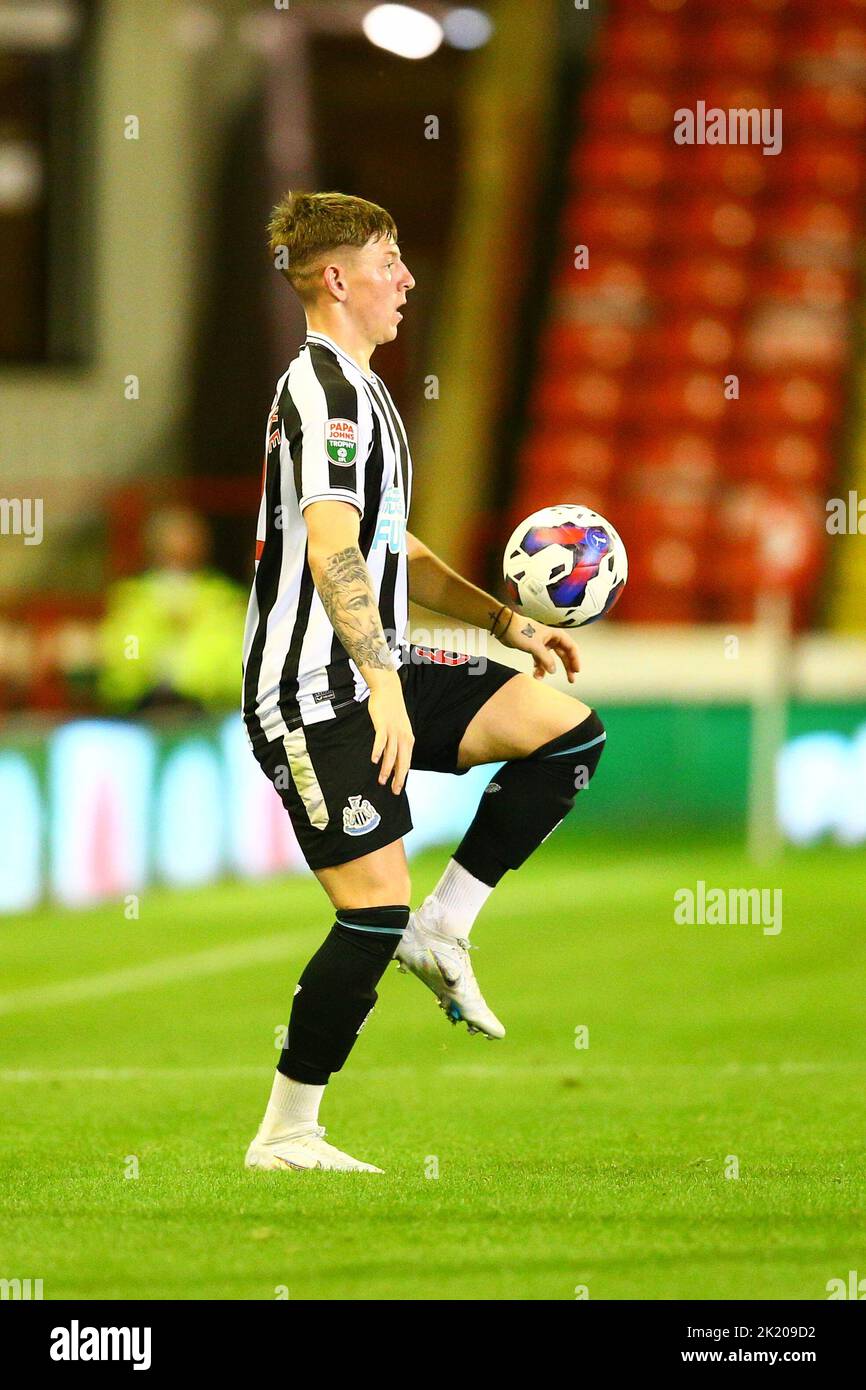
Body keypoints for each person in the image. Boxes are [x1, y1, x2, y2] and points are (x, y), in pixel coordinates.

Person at [241, 190, 606, 1172]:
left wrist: (499, 618)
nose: (404, 277)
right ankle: (287, 1133)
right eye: (387, 260)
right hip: (313, 692)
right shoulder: (318, 389)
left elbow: (388, 540)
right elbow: (329, 549)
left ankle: (450, 923)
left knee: (563, 727)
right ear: (336, 279)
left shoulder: (365, 389)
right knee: (369, 913)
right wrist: (384, 683)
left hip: (376, 668)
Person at [99, 506, 247, 714]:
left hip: (208, 715)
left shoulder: (224, 600)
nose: (179, 549)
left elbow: (238, 664)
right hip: (143, 712)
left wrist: (187, 676)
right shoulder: (133, 599)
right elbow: (122, 660)